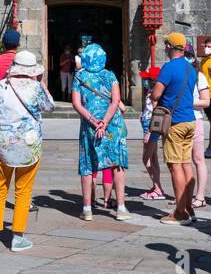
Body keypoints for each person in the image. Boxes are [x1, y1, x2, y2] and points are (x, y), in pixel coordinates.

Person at [0, 50, 54, 252]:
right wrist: (40, 82)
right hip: (29, 144)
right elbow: (50, 106)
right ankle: (17, 237)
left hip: (3, 143)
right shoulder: (35, 88)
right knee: (23, 190)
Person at [71, 43, 130, 222]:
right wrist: (105, 122)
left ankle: (87, 208)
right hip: (112, 124)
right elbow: (116, 100)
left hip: (90, 125)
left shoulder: (79, 76)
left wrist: (93, 120)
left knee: (88, 165)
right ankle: (120, 207)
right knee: (116, 164)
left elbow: (76, 103)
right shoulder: (109, 75)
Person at [150, 31, 198, 225]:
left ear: (169, 47)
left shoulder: (168, 68)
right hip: (190, 120)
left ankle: (180, 212)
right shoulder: (190, 68)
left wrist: (153, 93)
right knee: (186, 164)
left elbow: (156, 94)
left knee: (174, 165)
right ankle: (189, 206)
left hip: (175, 122)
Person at [138, 70, 166, 201]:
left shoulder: (154, 94)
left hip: (151, 127)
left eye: (148, 79)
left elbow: (155, 111)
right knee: (153, 158)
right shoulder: (150, 93)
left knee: (146, 158)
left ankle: (158, 188)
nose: (145, 82)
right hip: (147, 124)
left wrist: (149, 131)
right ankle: (156, 186)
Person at [190, 56, 211, 209]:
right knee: (182, 161)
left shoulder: (199, 77)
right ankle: (183, 195)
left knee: (198, 159)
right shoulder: (177, 74)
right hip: (179, 120)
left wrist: (187, 102)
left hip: (195, 119)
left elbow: (206, 101)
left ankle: (200, 196)